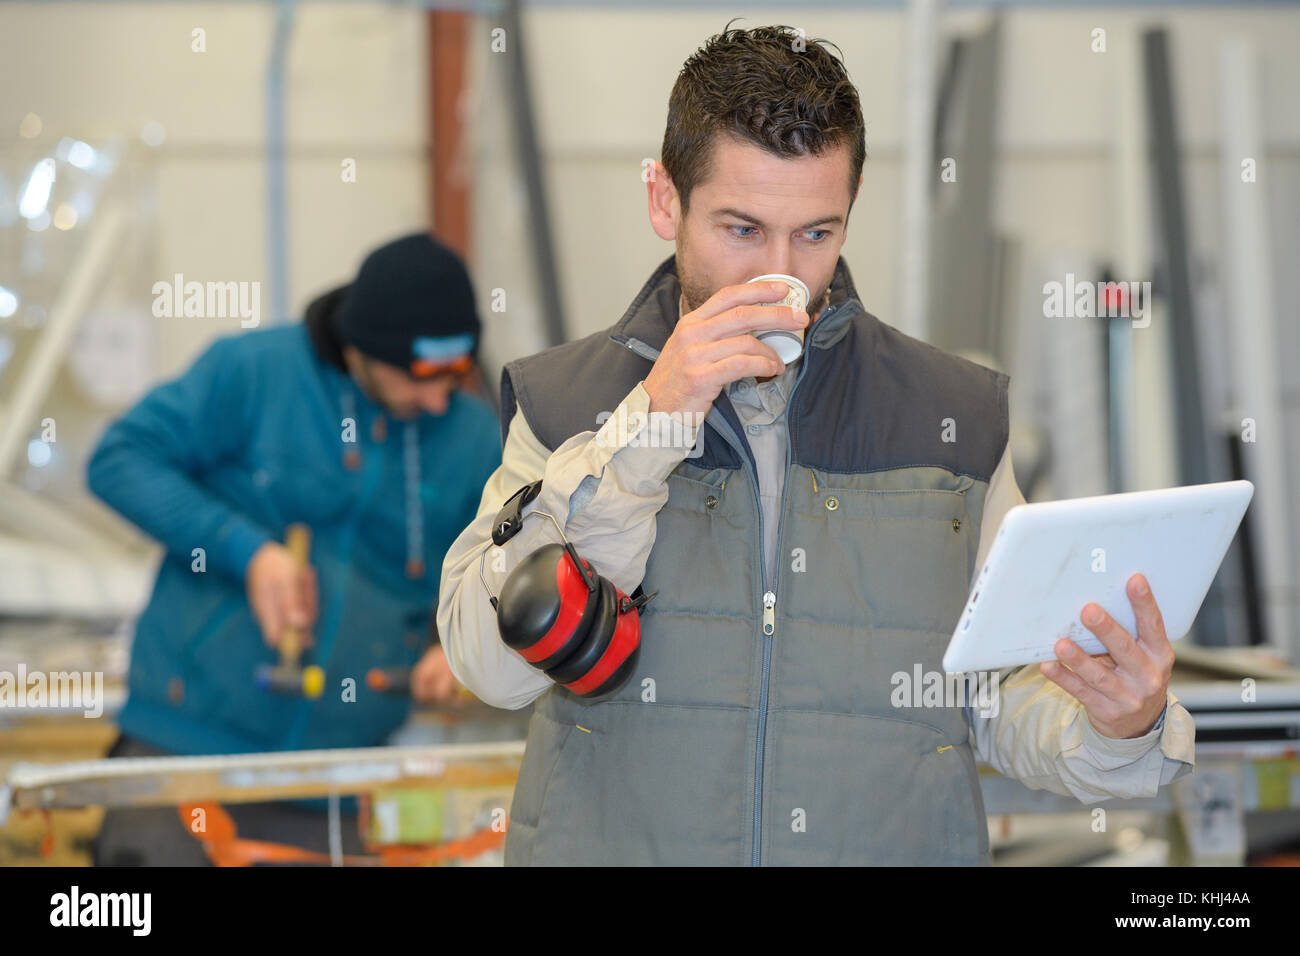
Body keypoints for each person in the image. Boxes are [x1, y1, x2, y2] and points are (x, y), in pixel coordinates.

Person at [437, 25, 1195, 865]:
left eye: (815, 233)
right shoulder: (564, 401)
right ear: (665, 201)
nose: (780, 276)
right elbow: (489, 666)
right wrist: (651, 423)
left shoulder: (949, 418)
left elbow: (1000, 697)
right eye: (741, 229)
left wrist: (1119, 723)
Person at [87, 233, 501, 865]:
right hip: (184, 755)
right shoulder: (254, 373)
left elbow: (504, 560)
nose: (439, 400)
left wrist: (459, 643)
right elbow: (119, 460)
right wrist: (246, 550)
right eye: (418, 378)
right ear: (361, 347)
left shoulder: (474, 438)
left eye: (455, 376)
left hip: (330, 784)